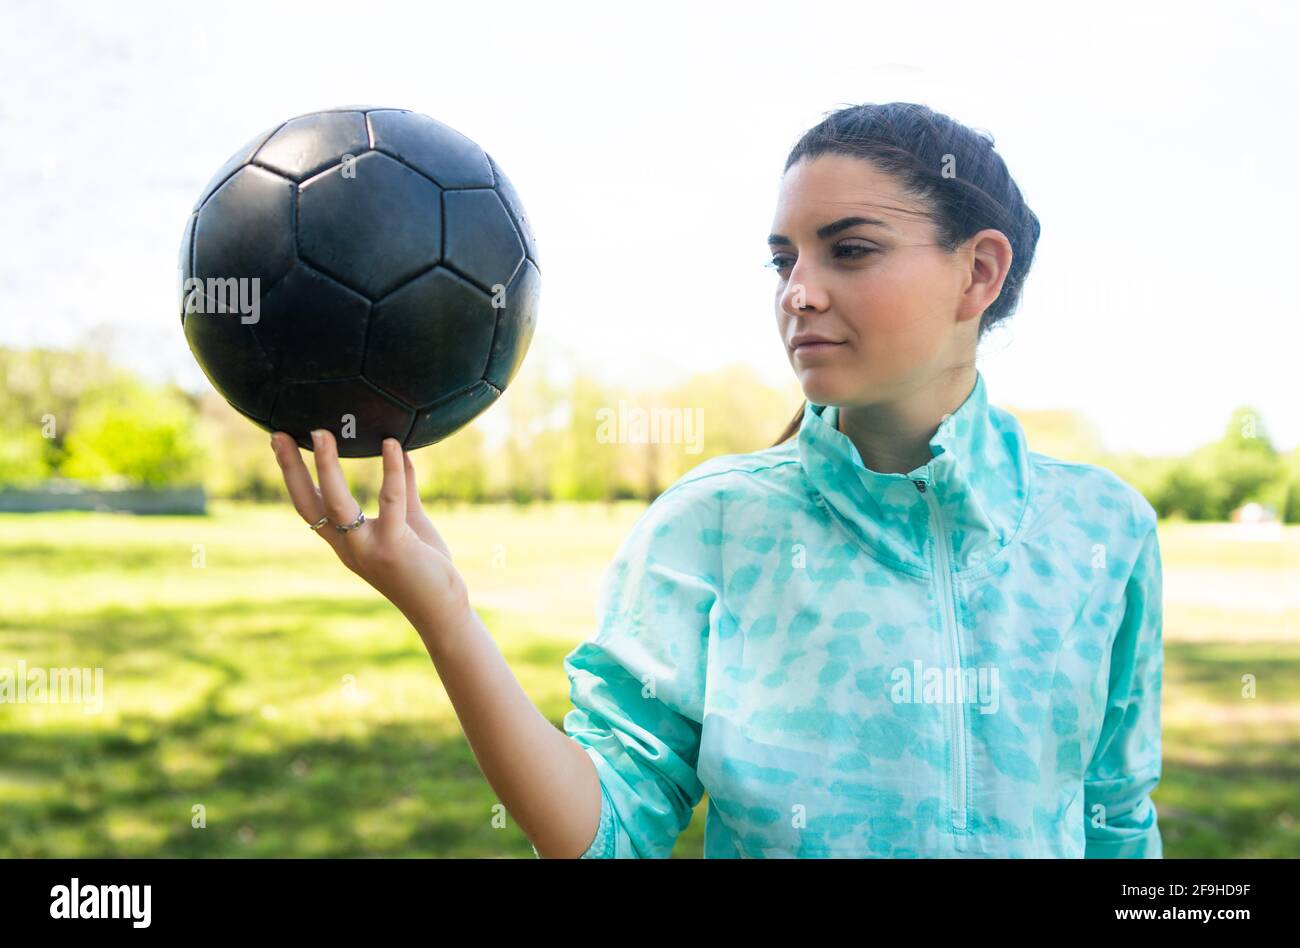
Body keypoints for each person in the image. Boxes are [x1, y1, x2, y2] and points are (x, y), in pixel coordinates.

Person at [270, 101, 1164, 859]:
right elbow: (606, 828)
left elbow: (1118, 823)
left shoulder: (1102, 532)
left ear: (978, 272)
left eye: (847, 250)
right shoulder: (713, 526)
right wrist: (443, 612)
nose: (798, 294)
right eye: (785, 261)